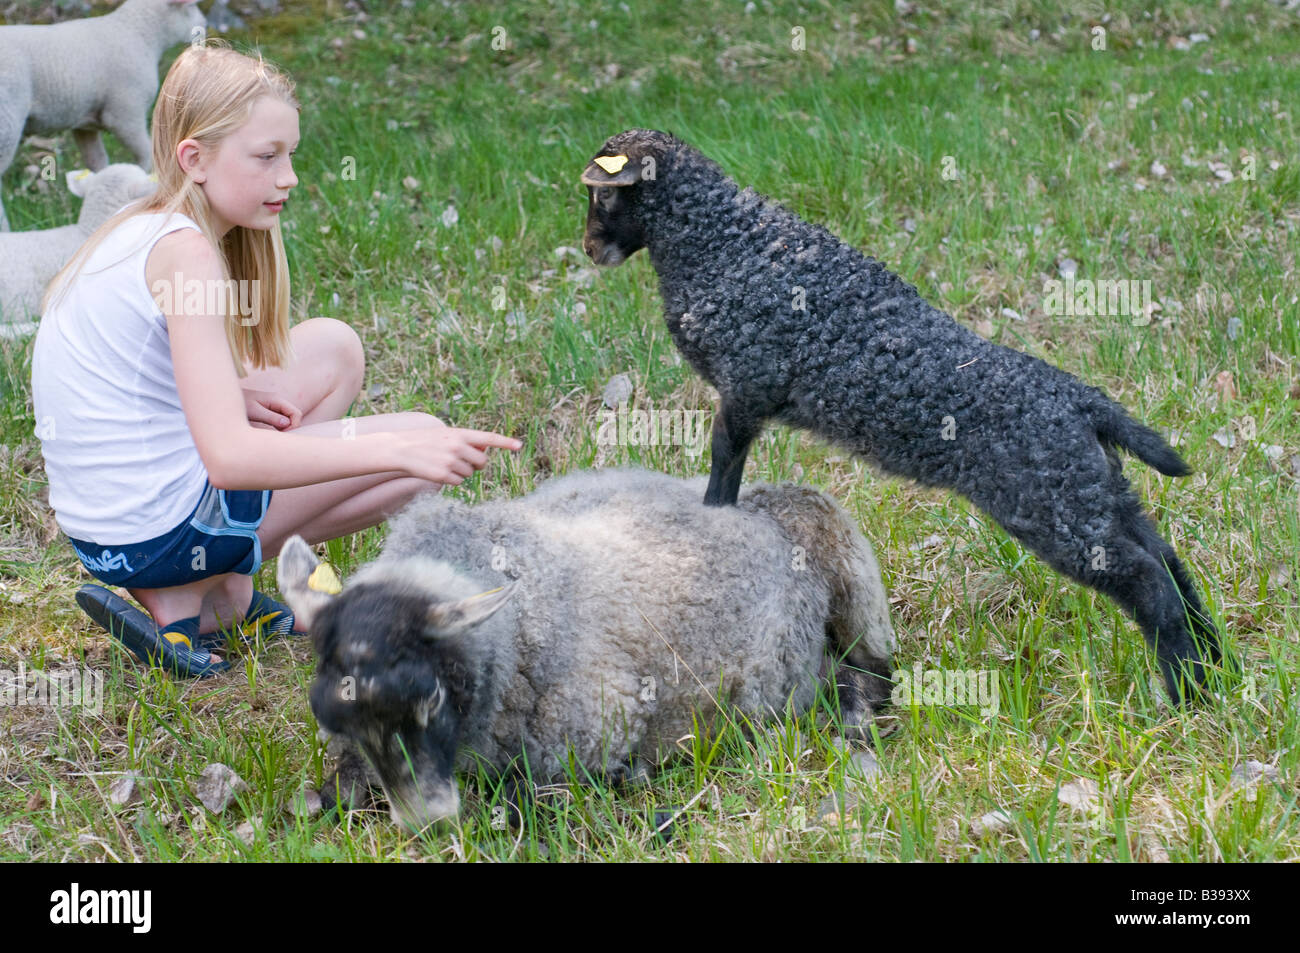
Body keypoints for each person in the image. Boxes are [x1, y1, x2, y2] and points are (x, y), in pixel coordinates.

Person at [31, 43, 520, 677]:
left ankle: (211, 591)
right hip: (155, 534)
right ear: (194, 159)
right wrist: (396, 449)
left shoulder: (144, 228)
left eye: (289, 155)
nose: (287, 177)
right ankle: (203, 595)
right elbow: (231, 459)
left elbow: (121, 389)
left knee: (332, 349)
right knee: (426, 442)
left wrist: (233, 398)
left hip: (109, 534)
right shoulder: (189, 258)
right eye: (267, 157)